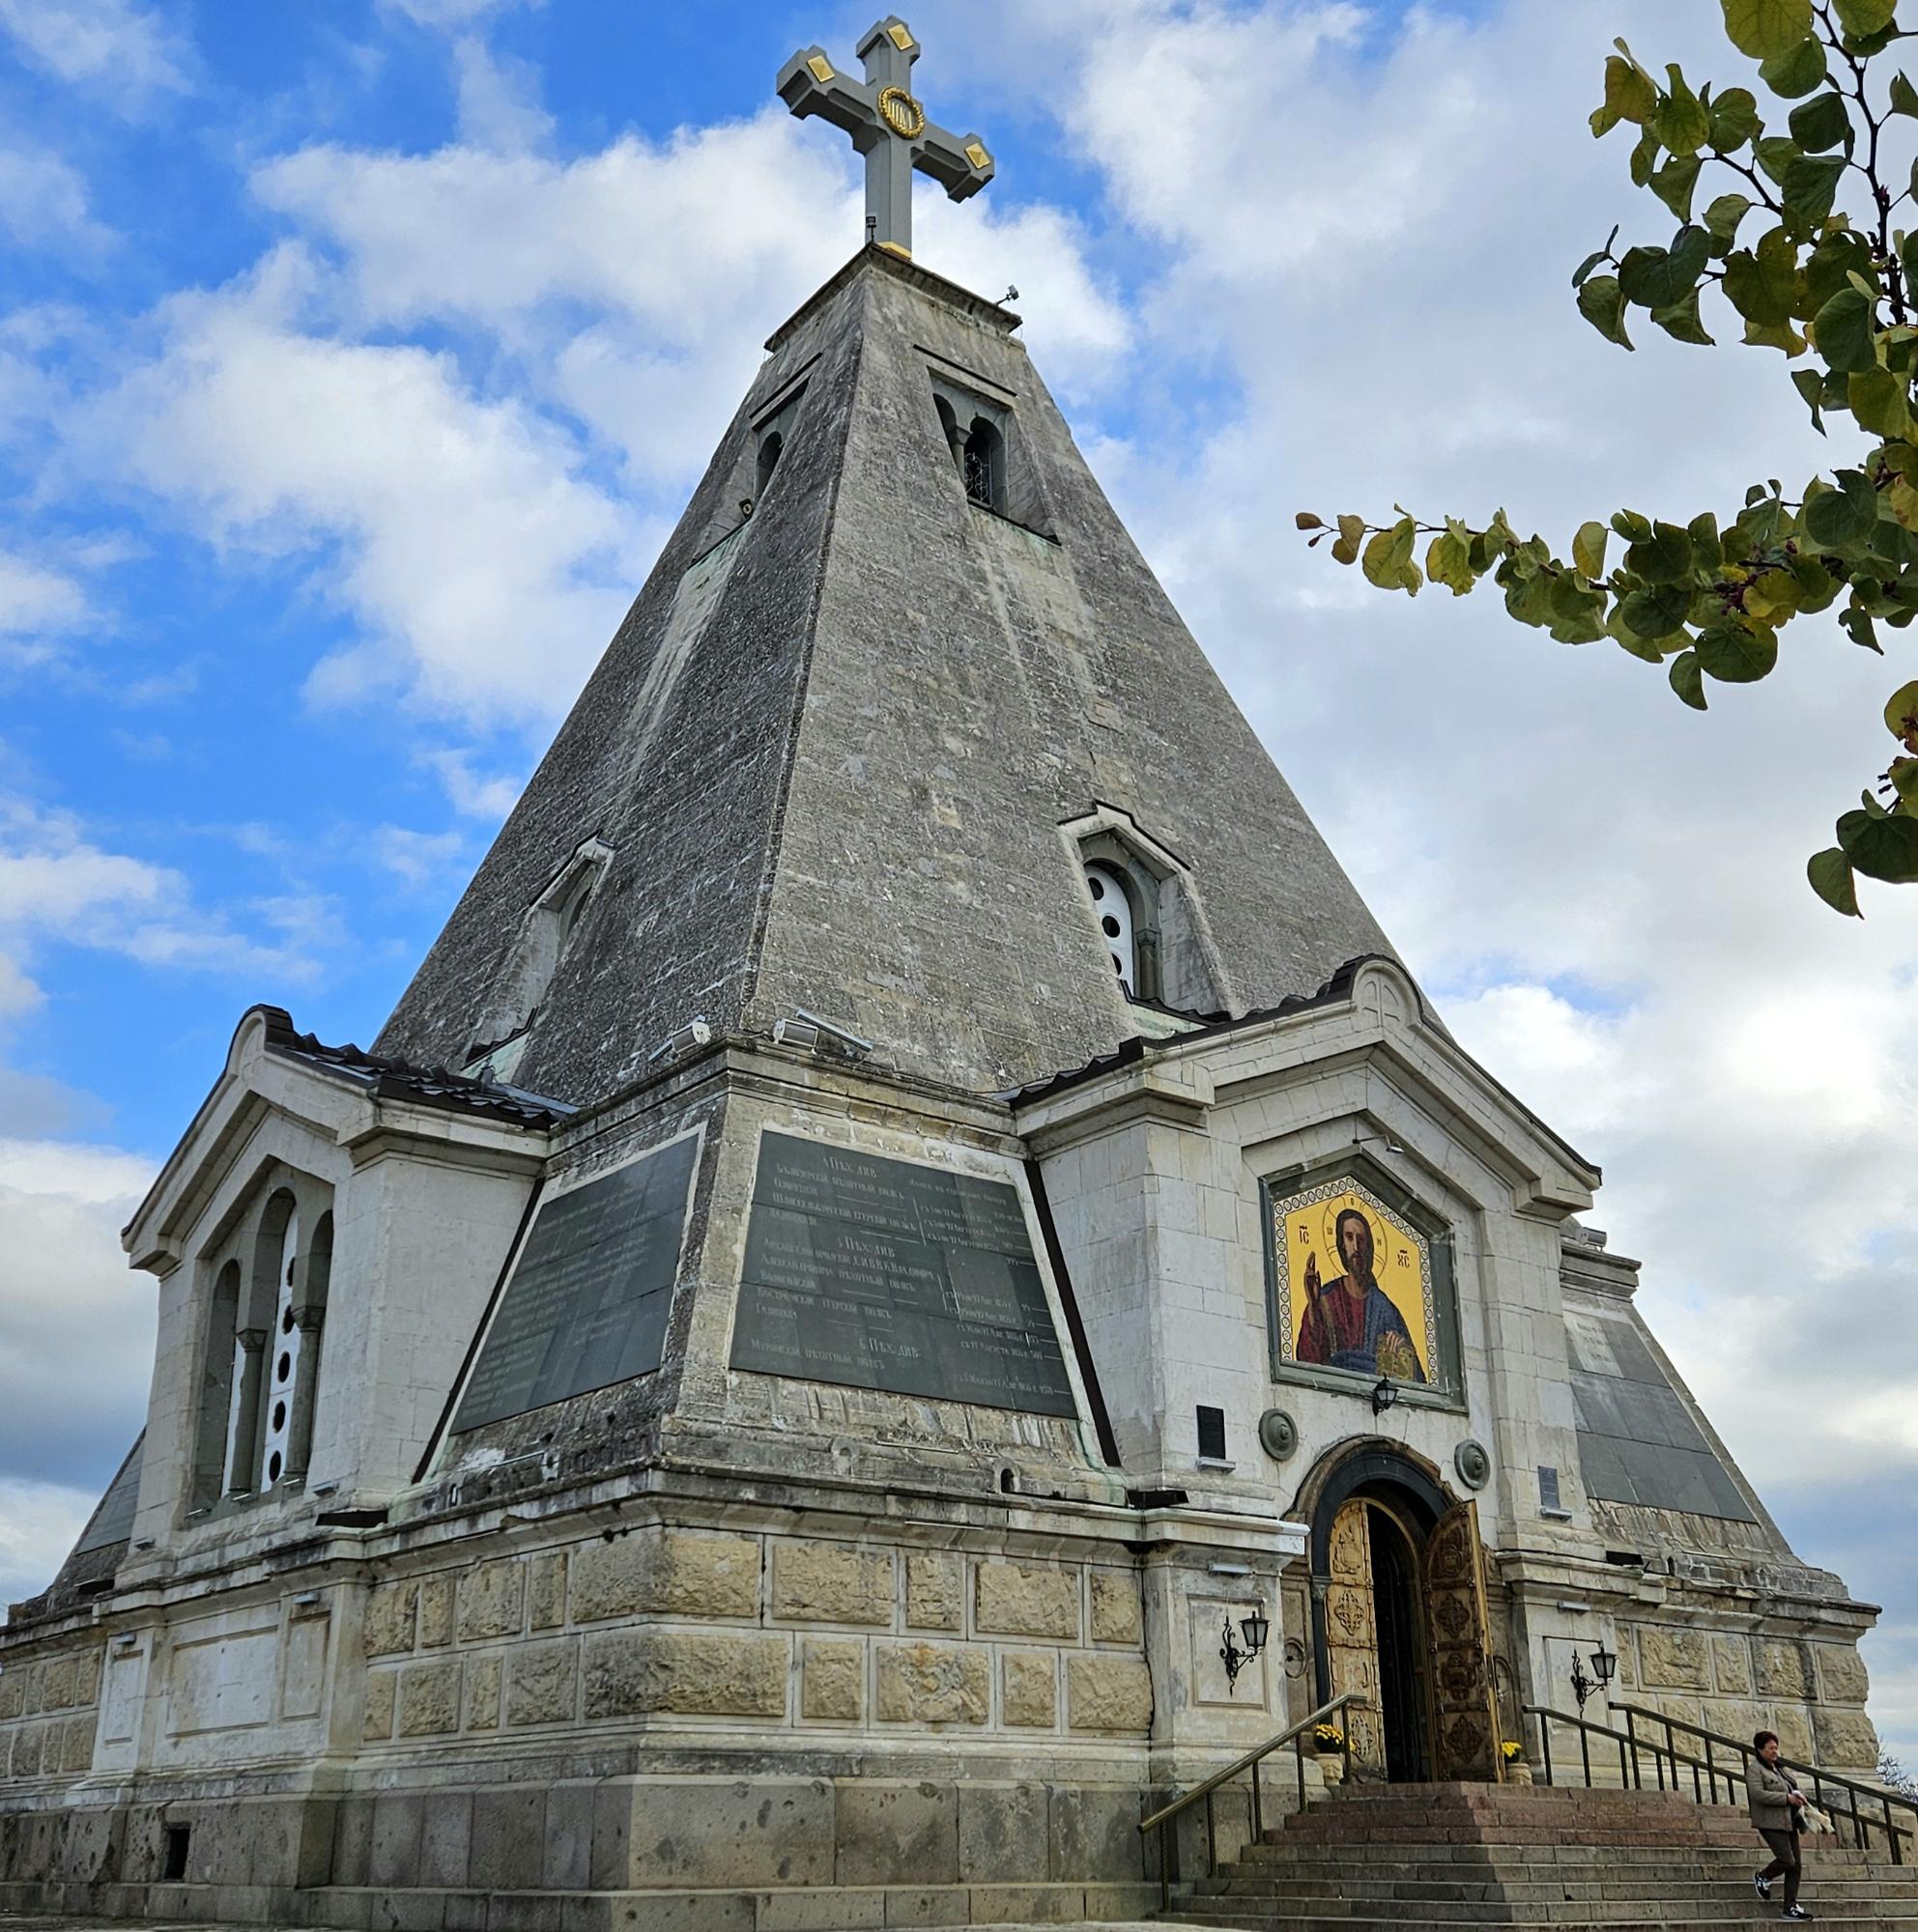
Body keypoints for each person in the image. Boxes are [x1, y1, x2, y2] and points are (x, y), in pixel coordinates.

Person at [1297, 1207, 1426, 1381]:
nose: (1356, 1246)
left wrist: (1401, 1349)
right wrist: (1313, 1305)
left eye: (1361, 1239)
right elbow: (1307, 1362)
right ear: (1341, 1244)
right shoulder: (1326, 1298)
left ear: (1369, 1246)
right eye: (1349, 1238)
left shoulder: (1384, 1307)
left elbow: (1417, 1379)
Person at [1749, 1729, 1812, 1921]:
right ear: (1760, 1749)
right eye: (1770, 1748)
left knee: (1796, 1865)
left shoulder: (1781, 1768)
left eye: (1776, 1747)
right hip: (1770, 1821)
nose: (1774, 1751)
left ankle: (1790, 1906)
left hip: (1790, 1820)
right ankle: (1763, 1876)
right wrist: (1786, 1798)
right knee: (1787, 1860)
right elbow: (1758, 1794)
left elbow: (1791, 1786)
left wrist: (1798, 1795)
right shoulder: (1755, 1770)